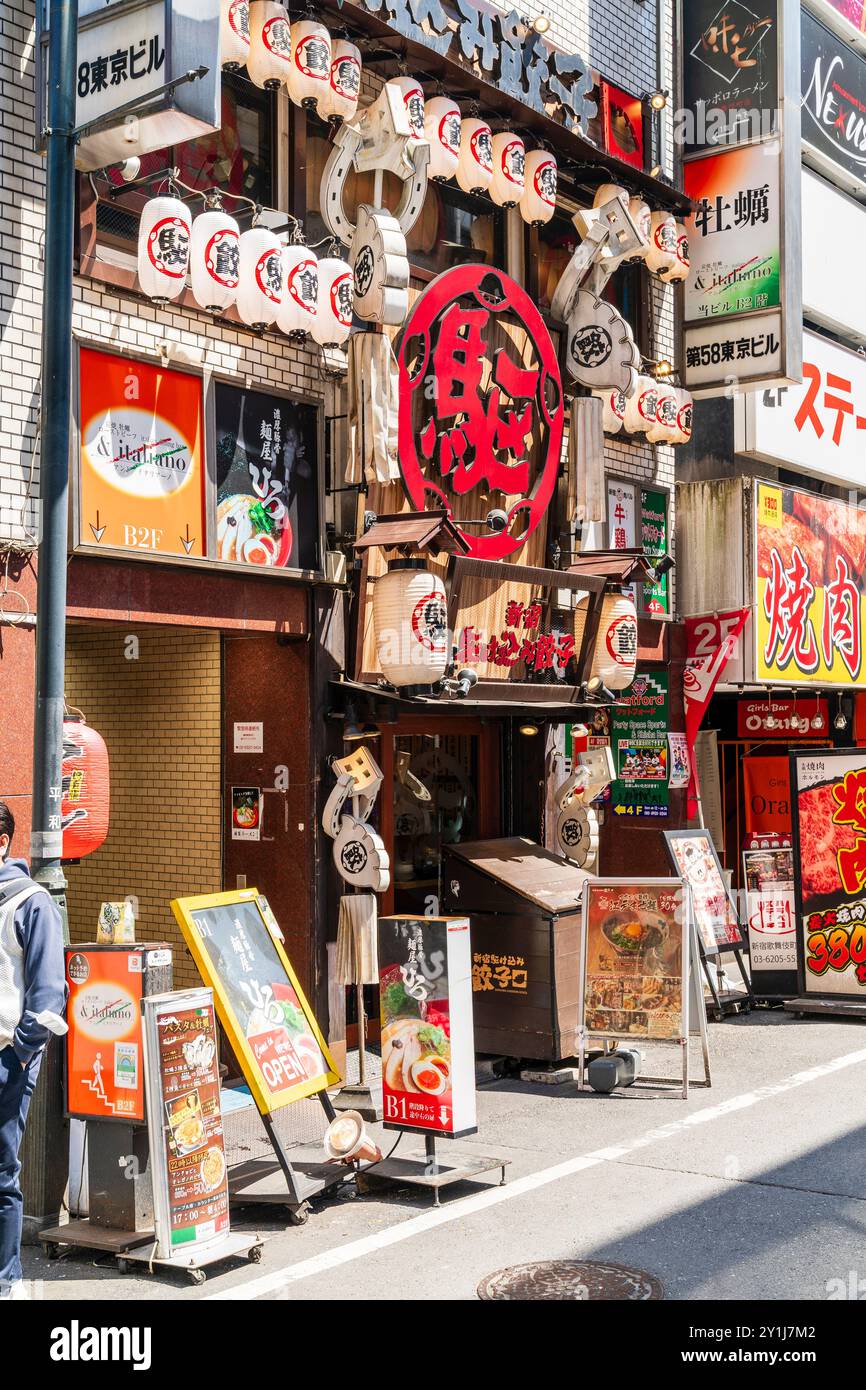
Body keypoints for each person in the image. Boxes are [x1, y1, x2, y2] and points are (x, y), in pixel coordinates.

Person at [0, 800, 66, 1300]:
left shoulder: (31, 901)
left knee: (1, 1170)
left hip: (5, 1057)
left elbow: (48, 994)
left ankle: (8, 1279)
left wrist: (20, 1053)